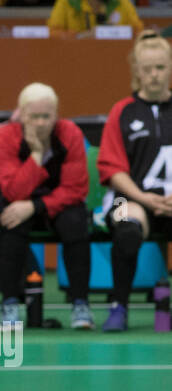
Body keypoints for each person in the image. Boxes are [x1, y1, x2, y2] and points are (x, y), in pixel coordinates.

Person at [0, 83, 93, 330]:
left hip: (57, 203)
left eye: (46, 116)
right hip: (19, 201)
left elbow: (75, 189)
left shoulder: (70, 134)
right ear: (22, 115)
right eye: (34, 116)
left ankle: (81, 304)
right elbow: (13, 191)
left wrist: (36, 206)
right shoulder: (6, 136)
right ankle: (10, 303)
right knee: (10, 221)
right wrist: (36, 155)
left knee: (76, 223)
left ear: (56, 115)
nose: (40, 123)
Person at [97, 32, 172, 332]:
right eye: (147, 68)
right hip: (129, 197)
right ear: (136, 71)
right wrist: (143, 197)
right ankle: (119, 306)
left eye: (160, 67)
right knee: (126, 226)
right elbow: (112, 168)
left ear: (169, 68)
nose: (154, 75)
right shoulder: (122, 111)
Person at [47, 0, 143, 35]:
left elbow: (138, 33)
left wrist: (113, 32)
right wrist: (82, 36)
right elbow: (52, 33)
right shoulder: (65, 2)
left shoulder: (122, 3)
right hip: (75, 56)